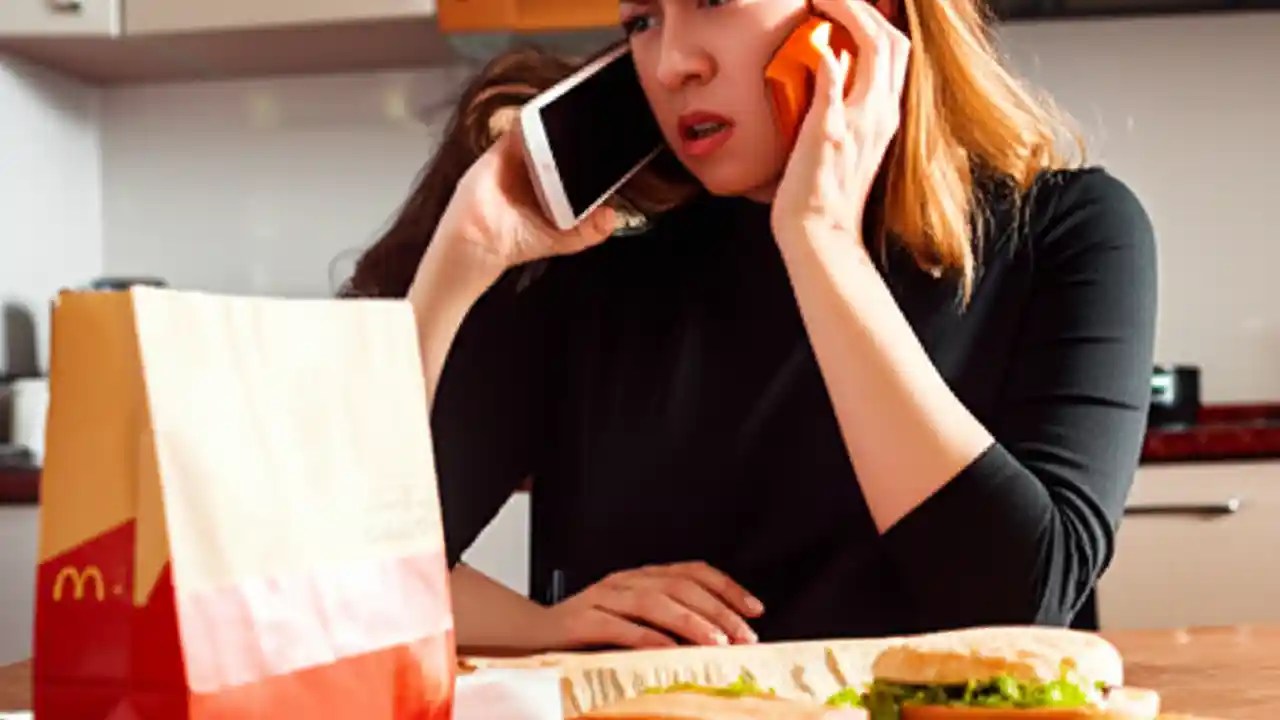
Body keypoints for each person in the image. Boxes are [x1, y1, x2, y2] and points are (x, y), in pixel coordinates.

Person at [343, 0, 1157, 652]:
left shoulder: (1073, 232)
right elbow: (341, 569)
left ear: (859, 17)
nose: (671, 64)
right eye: (641, 20)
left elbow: (1022, 604)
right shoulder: (596, 252)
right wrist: (462, 262)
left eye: (711, 2)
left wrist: (819, 243)